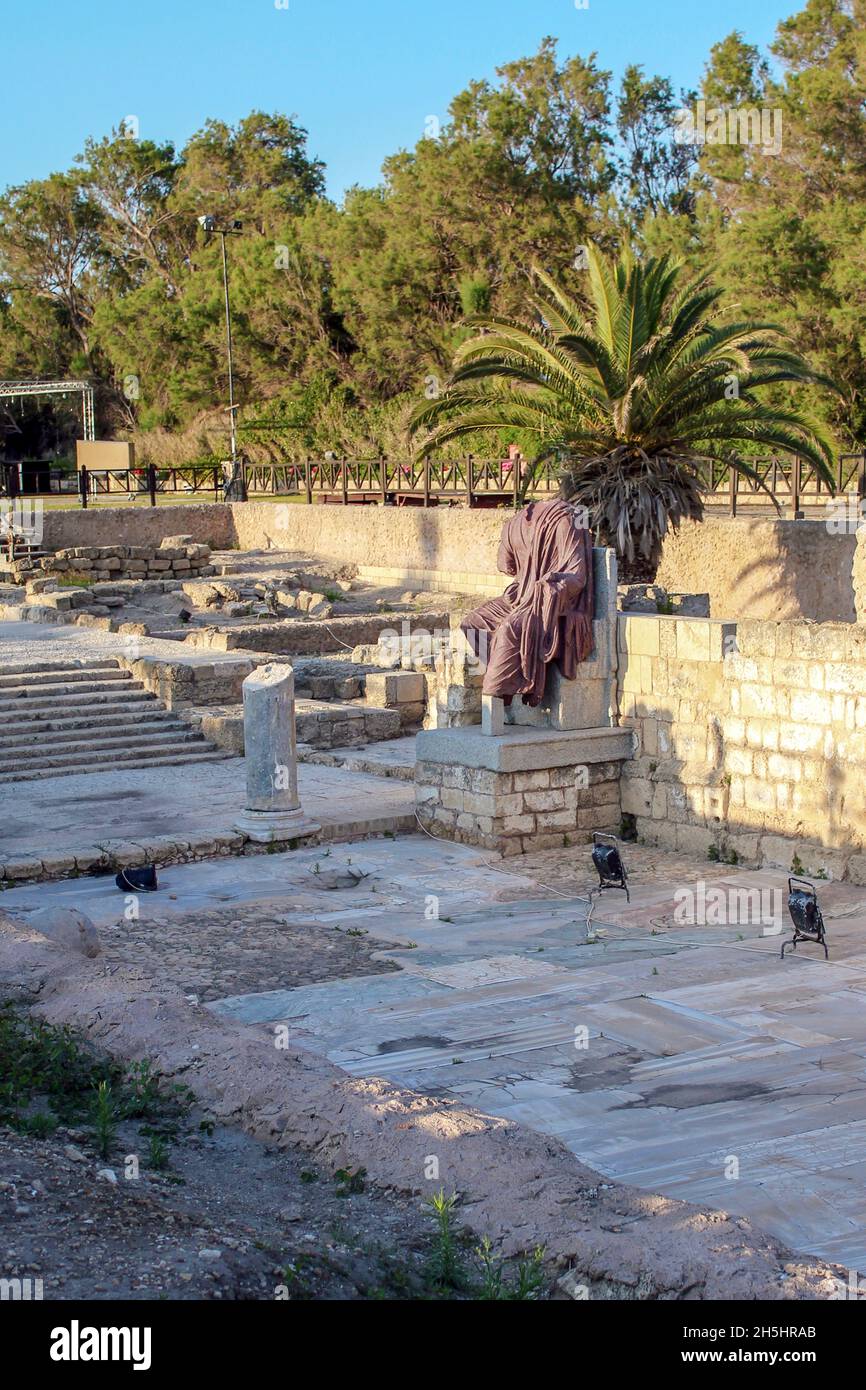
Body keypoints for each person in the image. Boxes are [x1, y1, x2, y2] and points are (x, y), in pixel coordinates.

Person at [461, 497, 594, 707]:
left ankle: (496, 691)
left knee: (509, 628)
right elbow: (508, 566)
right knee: (473, 623)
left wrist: (547, 586)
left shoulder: (564, 519)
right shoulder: (515, 525)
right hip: (523, 596)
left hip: (552, 604)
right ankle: (516, 674)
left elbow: (577, 577)